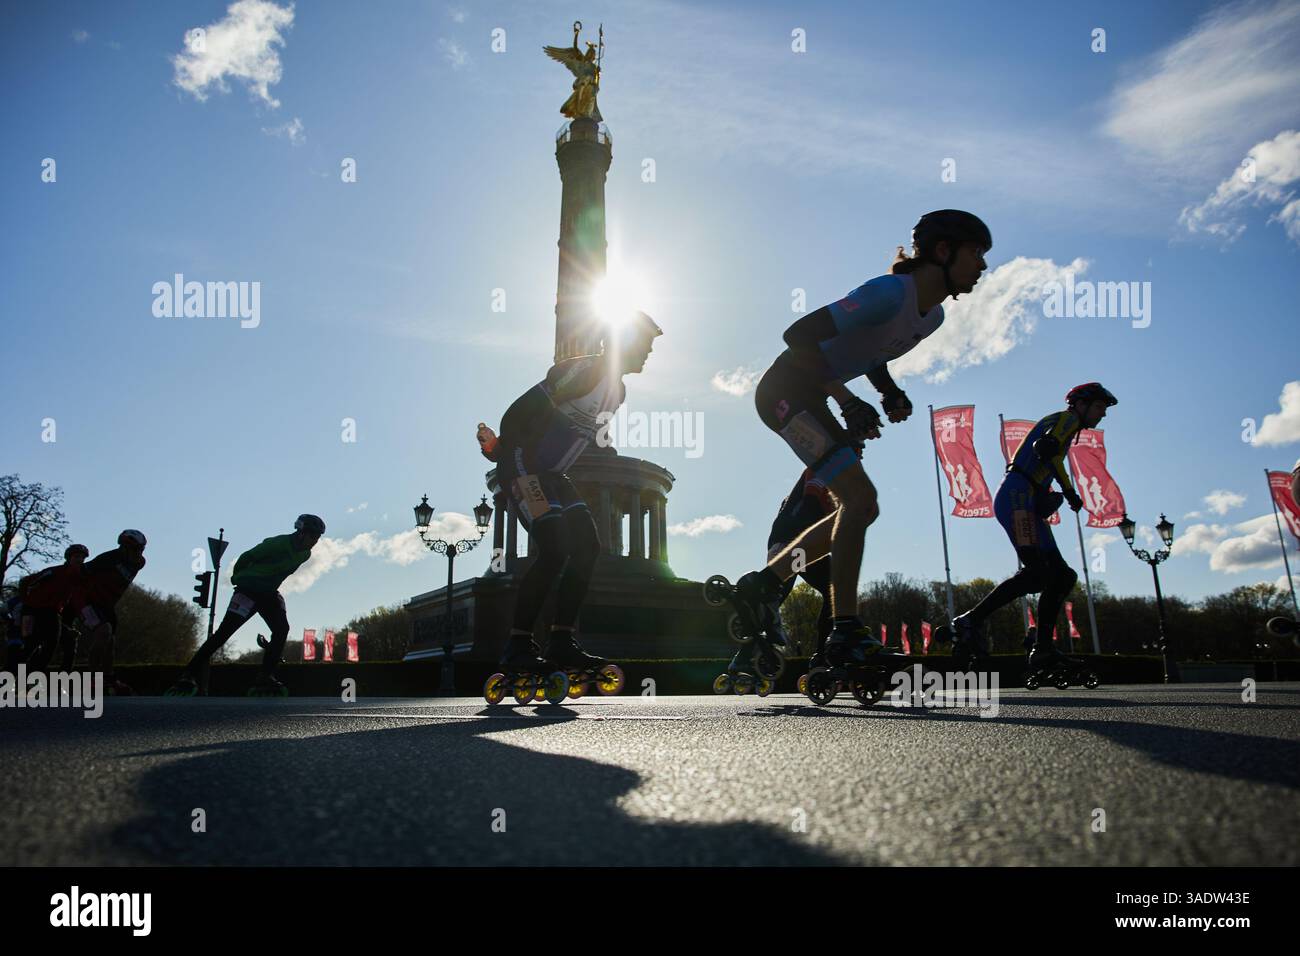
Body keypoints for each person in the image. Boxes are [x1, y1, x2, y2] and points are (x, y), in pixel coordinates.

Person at [730, 210, 991, 668]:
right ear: (944, 251)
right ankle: (844, 631)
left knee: (862, 505)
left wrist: (889, 392)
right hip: (784, 392)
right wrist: (847, 399)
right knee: (859, 498)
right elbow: (798, 336)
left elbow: (871, 351)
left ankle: (765, 586)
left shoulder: (932, 318)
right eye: (977, 254)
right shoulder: (890, 292)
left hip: (813, 395)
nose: (982, 266)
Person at [480, 311, 661, 677]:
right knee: (553, 548)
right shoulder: (587, 371)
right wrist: (507, 457)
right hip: (523, 466)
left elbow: (578, 434)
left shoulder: (618, 391)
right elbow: (518, 412)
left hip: (553, 475)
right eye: (645, 343)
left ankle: (561, 640)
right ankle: (517, 645)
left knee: (587, 547)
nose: (648, 353)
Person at [948, 383, 1118, 669]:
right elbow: (1047, 449)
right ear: (1081, 404)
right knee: (1038, 573)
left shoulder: (1067, 423)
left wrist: (1052, 493)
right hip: (1017, 495)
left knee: (1063, 576)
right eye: (1100, 407)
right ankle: (969, 621)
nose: (1103, 415)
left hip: (1026, 497)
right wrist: (1070, 491)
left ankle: (1043, 648)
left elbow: (1045, 453)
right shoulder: (1067, 420)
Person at [168, 515, 324, 696]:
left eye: (318, 538)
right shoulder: (277, 544)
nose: (314, 541)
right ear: (300, 533)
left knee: (282, 629)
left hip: (268, 593)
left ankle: (265, 675)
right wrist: (238, 578)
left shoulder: (305, 555)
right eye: (312, 536)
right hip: (248, 590)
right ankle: (188, 674)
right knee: (223, 633)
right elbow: (247, 557)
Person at [74, 531, 148, 695]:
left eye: (141, 549)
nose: (139, 553)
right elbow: (81, 573)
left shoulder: (139, 562)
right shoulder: (108, 558)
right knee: (103, 632)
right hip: (87, 601)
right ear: (123, 547)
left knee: (110, 642)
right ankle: (92, 677)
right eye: (135, 549)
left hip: (107, 605)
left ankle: (109, 677)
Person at [19, 543, 89, 671]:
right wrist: (26, 601)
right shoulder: (54, 572)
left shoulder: (78, 578)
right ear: (69, 558)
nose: (80, 560)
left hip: (52, 612)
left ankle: (29, 676)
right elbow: (25, 581)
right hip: (37, 610)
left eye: (82, 558)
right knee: (38, 645)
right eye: (76, 557)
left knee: (43, 646)